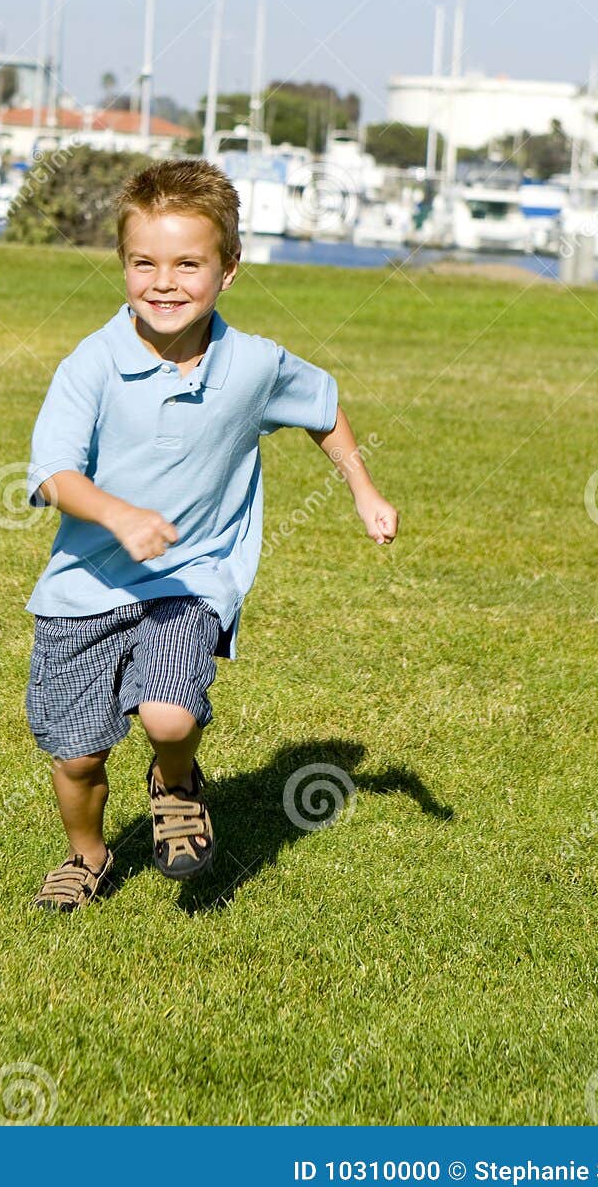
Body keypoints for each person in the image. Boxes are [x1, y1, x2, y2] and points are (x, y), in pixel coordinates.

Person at [23, 159, 398, 910]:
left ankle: (176, 781)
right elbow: (55, 475)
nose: (164, 282)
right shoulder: (91, 365)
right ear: (124, 267)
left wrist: (363, 488)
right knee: (77, 758)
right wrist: (118, 515)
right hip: (83, 589)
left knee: (171, 713)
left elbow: (323, 410)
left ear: (228, 270)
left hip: (191, 577)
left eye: (187, 264)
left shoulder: (253, 364)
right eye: (143, 263)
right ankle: (89, 857)